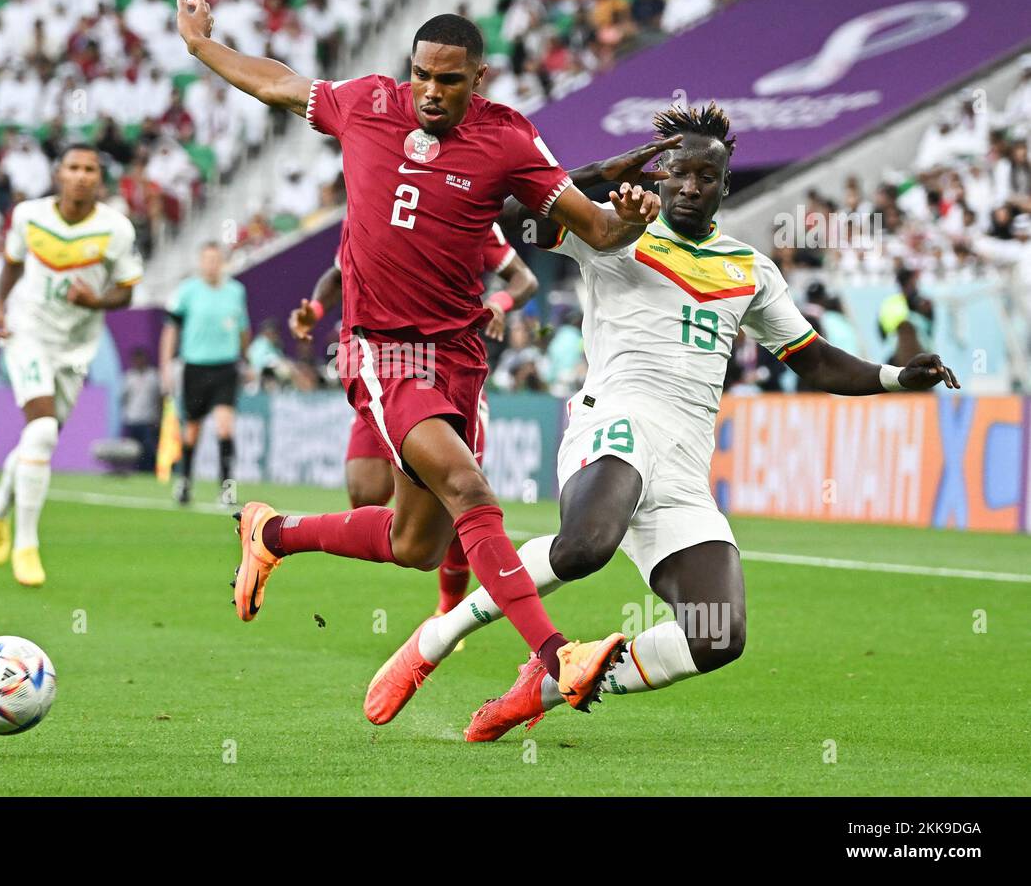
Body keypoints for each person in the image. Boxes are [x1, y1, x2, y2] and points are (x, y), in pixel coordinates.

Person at [379, 103, 960, 741]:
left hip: (684, 461)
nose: (690, 186)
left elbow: (815, 361)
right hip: (614, 421)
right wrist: (597, 178)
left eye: (705, 177)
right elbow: (507, 216)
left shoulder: (750, 270)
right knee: (585, 547)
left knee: (718, 636)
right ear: (660, 176)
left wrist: (895, 377)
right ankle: (438, 635)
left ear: (724, 184)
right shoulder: (611, 229)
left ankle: (544, 686)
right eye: (678, 173)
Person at [177, 0, 671, 718]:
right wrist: (202, 48)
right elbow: (278, 83)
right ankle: (556, 656)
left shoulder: (508, 140)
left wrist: (628, 221)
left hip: (460, 356)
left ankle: (270, 531)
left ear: (479, 79)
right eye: (422, 75)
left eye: (449, 79)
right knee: (471, 491)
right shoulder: (366, 103)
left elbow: (595, 232)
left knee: (414, 542)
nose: (431, 92)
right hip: (382, 349)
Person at [289, 219, 539, 628]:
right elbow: (337, 273)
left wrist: (500, 304)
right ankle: (281, 533)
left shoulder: (465, 208)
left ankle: (449, 610)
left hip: (447, 368)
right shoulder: (369, 206)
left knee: (459, 495)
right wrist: (316, 310)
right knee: (367, 492)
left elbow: (523, 278)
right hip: (384, 363)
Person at [0, 144, 142, 587]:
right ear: (58, 174)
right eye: (73, 167)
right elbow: (12, 263)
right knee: (43, 430)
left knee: (39, 440)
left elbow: (127, 291)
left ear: (99, 180)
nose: (81, 175)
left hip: (77, 346)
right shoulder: (29, 216)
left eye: (90, 168)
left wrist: (96, 300)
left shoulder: (116, 230)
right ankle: (26, 544)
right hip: (28, 331)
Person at [160, 242, 251, 506]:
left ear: (222, 262)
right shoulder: (187, 291)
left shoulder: (236, 291)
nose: (212, 264)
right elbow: (171, 329)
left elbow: (243, 329)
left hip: (225, 367)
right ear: (201, 263)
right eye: (207, 259)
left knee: (225, 428)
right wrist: (166, 364)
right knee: (192, 431)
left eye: (216, 259)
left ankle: (227, 489)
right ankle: (185, 482)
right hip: (195, 368)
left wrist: (246, 361)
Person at [121, 346, 162, 473]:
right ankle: (135, 472)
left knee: (149, 449)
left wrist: (159, 417)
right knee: (133, 450)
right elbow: (124, 398)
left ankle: (149, 472)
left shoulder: (154, 376)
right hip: (133, 419)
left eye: (141, 359)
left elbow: (159, 399)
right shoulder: (129, 377)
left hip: (149, 419)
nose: (139, 362)